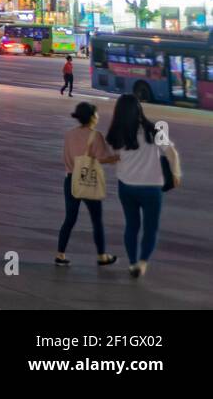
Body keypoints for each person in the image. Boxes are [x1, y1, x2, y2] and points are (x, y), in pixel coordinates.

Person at [106, 94, 182, 277]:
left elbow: (114, 158)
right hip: (151, 188)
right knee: (150, 227)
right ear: (139, 110)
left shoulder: (116, 133)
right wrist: (176, 173)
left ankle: (132, 263)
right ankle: (143, 261)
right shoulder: (153, 130)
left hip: (126, 186)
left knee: (131, 225)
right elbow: (172, 152)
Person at [56, 102, 118, 267]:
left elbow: (67, 157)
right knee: (96, 219)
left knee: (69, 218)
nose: (98, 117)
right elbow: (101, 158)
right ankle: (101, 255)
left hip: (70, 179)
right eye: (96, 114)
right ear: (91, 117)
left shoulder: (69, 135)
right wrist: (116, 158)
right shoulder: (95, 135)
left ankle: (60, 254)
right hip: (88, 180)